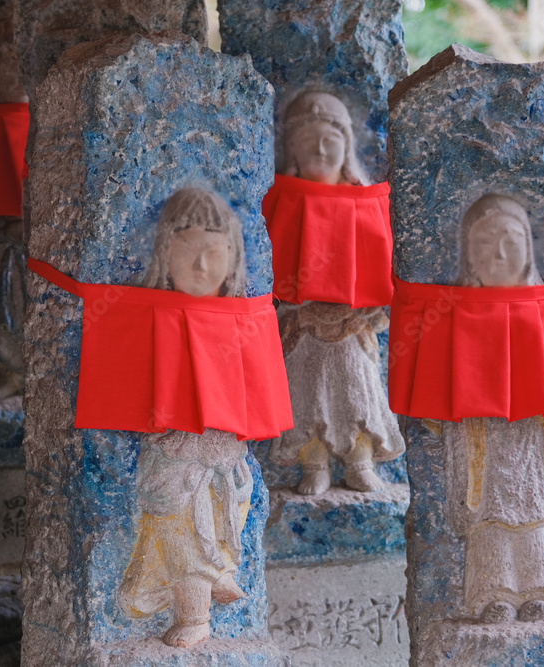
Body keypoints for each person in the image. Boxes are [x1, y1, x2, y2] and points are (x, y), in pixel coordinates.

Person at [118, 188, 253, 648]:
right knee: (177, 527)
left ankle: (210, 594)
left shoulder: (245, 320)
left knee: (214, 523)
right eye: (187, 252)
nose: (201, 268)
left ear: (233, 259)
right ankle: (193, 608)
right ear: (163, 253)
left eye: (215, 253)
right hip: (170, 457)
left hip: (223, 454)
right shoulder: (145, 318)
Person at [440, 193, 544, 623]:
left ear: (528, 248)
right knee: (490, 518)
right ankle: (490, 593)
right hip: (483, 438)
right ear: (467, 253)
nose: (498, 253)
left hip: (533, 438)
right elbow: (436, 391)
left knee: (534, 513)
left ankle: (541, 590)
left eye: (510, 240)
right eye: (484, 242)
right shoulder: (453, 316)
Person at [269, 90, 404, 494]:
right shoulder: (278, 201)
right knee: (306, 397)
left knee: (356, 391)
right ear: (291, 148)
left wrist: (377, 312)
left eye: (331, 139)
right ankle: (315, 465)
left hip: (352, 327)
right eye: (309, 140)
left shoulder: (368, 203)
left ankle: (359, 460)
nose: (321, 148)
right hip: (302, 329)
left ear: (347, 145)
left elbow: (384, 270)